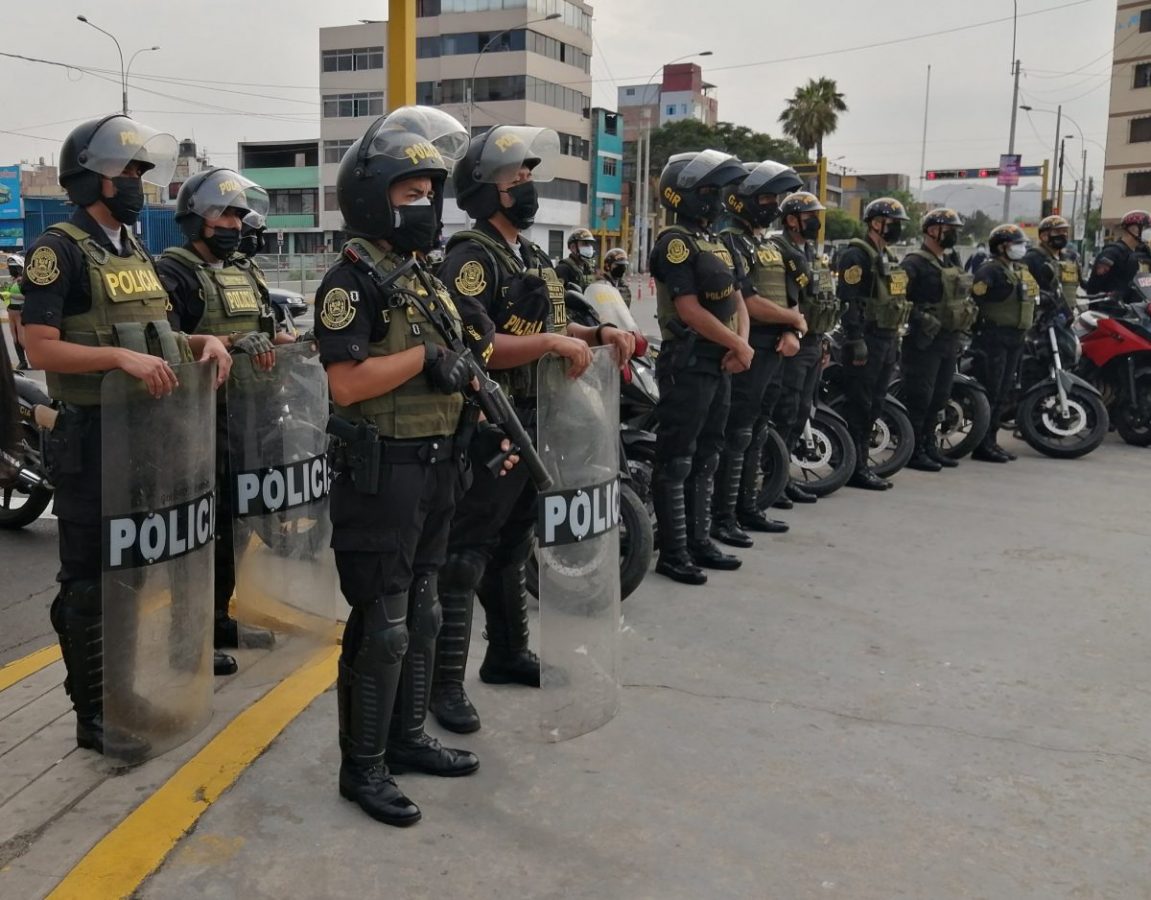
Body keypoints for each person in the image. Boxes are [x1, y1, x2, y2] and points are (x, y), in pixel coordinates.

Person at [314, 106, 505, 827]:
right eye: (411, 193)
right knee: (384, 623)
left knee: (424, 613)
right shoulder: (350, 281)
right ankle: (362, 767)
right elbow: (346, 383)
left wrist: (472, 341)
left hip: (437, 463)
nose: (426, 205)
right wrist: (426, 356)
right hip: (382, 472)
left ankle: (407, 737)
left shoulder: (422, 277)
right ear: (373, 200)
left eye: (430, 192)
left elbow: (465, 354)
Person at [20, 114, 231, 760]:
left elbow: (157, 337)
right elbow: (40, 347)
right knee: (88, 581)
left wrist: (205, 340)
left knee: (132, 575)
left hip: (144, 435)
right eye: (126, 172)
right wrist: (116, 359)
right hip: (90, 438)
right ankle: (93, 714)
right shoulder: (58, 249)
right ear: (91, 179)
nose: (138, 181)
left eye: (141, 171)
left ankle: (125, 693)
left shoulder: (132, 251)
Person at [429, 126, 633, 733]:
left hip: (537, 416)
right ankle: (443, 685)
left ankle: (507, 652)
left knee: (515, 540)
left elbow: (559, 325)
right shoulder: (469, 258)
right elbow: (479, 347)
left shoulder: (533, 257)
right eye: (513, 177)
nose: (526, 185)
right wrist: (547, 343)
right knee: (466, 551)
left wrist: (599, 334)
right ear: (483, 191)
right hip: (489, 419)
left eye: (526, 176)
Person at [157, 169, 293, 674]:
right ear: (195, 219)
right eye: (223, 214)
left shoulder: (244, 271)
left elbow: (266, 331)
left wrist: (293, 345)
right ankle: (184, 636)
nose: (234, 224)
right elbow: (167, 346)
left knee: (239, 528)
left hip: (250, 417)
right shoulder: (172, 273)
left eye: (238, 215)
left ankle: (217, 618)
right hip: (198, 422)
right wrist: (232, 342)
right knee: (198, 532)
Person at [648, 149, 752, 585]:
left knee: (709, 454)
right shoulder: (674, 243)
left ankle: (700, 539)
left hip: (720, 359)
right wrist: (737, 344)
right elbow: (688, 309)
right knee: (677, 458)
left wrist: (741, 344)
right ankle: (673, 552)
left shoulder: (718, 242)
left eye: (718, 189)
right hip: (688, 360)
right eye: (708, 189)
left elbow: (739, 300)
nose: (716, 198)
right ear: (682, 193)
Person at [710, 160, 805, 546]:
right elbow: (747, 300)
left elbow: (787, 292)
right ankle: (723, 516)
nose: (773, 205)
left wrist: (791, 329)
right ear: (741, 199)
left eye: (774, 198)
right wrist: (793, 321)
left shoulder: (766, 244)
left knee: (758, 429)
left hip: (775, 347)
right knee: (737, 432)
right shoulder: (730, 240)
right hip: (749, 346)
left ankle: (748, 506)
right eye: (766, 198)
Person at [765, 191, 840, 508]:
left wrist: (824, 339)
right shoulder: (778, 249)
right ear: (791, 220)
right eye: (809, 216)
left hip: (813, 341)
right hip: (791, 341)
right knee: (785, 410)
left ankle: (784, 478)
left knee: (800, 412)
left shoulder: (809, 252)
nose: (815, 222)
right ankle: (773, 481)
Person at [836, 197, 913, 491]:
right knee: (860, 403)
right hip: (866, 338)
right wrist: (855, 338)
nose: (896, 228)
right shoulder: (856, 255)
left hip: (887, 337)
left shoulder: (888, 256)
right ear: (876, 223)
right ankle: (855, 467)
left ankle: (861, 463)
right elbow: (848, 300)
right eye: (892, 223)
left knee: (876, 403)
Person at [900, 208, 977, 472]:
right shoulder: (914, 263)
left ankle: (930, 445)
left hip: (948, 339)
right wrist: (920, 318)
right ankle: (913, 450)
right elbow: (897, 300)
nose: (953, 234)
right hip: (923, 341)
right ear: (932, 230)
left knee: (940, 397)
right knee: (920, 397)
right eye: (949, 229)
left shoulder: (950, 261)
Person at [969, 223, 1035, 463]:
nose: (1020, 248)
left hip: (1014, 338)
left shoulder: (1016, 270)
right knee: (992, 390)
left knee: (1003, 391)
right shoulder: (990, 271)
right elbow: (974, 299)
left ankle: (991, 440)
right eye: (1015, 244)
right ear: (1001, 247)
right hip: (993, 338)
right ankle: (981, 444)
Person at [1023, 215, 1080, 315]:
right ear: (1044, 236)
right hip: (1041, 316)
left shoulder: (1070, 258)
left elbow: (1079, 283)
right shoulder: (1032, 258)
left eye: (1065, 231)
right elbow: (1023, 289)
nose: (1063, 235)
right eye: (1057, 232)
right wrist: (1041, 298)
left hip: (1068, 315)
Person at [1085, 210, 1149, 297]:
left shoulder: (1140, 255)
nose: (1148, 233)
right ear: (1134, 230)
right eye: (1145, 228)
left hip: (1137, 305)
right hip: (1110, 305)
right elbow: (1093, 289)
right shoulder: (1111, 253)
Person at [4, 254, 28, 369]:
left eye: (13, 267)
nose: (11, 269)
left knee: (22, 339)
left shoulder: (22, 280)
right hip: (11, 311)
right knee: (15, 338)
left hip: (19, 311)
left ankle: (36, 358)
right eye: (10, 267)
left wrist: (10, 295)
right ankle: (22, 362)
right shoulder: (12, 280)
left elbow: (26, 296)